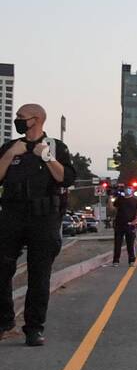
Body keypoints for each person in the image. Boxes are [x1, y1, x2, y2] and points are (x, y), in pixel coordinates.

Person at [0, 104, 72, 347]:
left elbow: (65, 177)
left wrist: (46, 156)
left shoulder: (55, 147)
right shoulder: (11, 146)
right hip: (12, 214)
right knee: (2, 268)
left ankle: (34, 328)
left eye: (22, 117)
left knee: (39, 275)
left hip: (44, 217)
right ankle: (4, 321)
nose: (17, 120)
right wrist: (11, 155)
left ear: (37, 119)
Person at [111, 185, 137, 266]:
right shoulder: (119, 200)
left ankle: (131, 261)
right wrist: (110, 197)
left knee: (130, 243)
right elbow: (112, 208)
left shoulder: (135, 201)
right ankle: (116, 261)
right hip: (119, 224)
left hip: (130, 225)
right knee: (118, 243)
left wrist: (136, 220)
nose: (127, 190)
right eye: (126, 189)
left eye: (129, 189)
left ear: (132, 191)